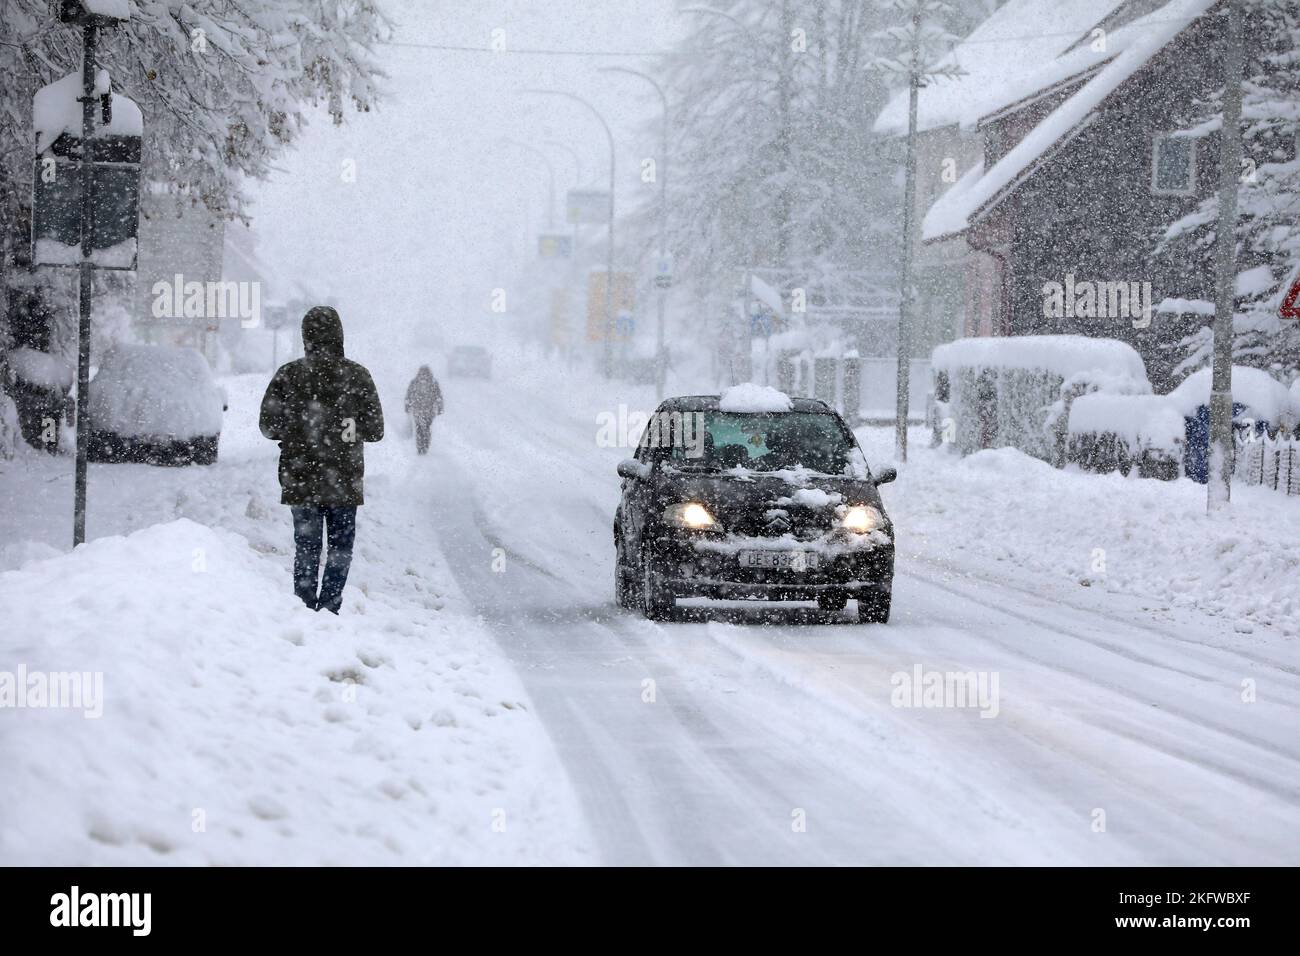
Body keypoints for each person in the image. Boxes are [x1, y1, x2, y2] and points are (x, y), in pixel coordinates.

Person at [259, 306, 384, 613]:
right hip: (343, 480)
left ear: (306, 337)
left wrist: (298, 429)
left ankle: (303, 606)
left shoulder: (289, 375)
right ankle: (330, 606)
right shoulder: (356, 376)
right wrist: (347, 427)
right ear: (339, 335)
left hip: (300, 478)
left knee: (307, 546)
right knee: (340, 547)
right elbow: (376, 430)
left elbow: (267, 426)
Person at [404, 365, 443, 455]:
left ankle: (420, 445)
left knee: (419, 428)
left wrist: (407, 406)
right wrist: (440, 407)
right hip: (429, 411)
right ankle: (425, 444)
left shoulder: (415, 382)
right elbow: (438, 396)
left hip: (418, 411)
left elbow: (409, 395)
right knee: (426, 428)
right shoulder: (433, 382)